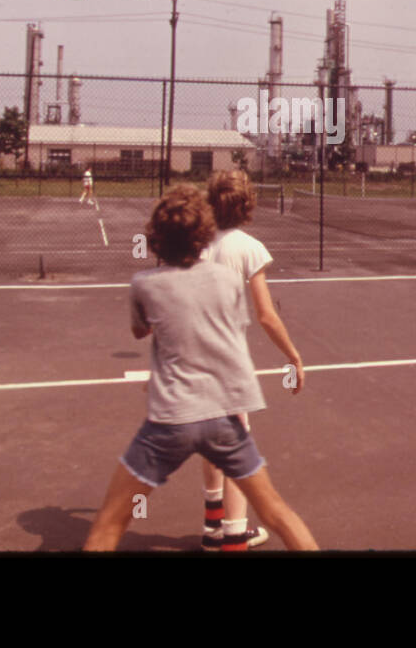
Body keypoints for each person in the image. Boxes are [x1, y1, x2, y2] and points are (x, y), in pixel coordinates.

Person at [83, 184, 317, 552]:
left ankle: (217, 528)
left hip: (170, 418)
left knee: (109, 525)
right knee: (277, 513)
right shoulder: (228, 279)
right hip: (222, 414)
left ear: (157, 240)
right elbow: (234, 330)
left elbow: (140, 330)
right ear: (205, 233)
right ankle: (231, 534)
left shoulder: (143, 284)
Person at [197, 170, 306, 551]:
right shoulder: (248, 247)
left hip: (194, 363)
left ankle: (214, 527)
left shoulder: (195, 243)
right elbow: (266, 315)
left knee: (212, 444)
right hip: (227, 367)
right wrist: (293, 355)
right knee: (238, 453)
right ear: (247, 205)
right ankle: (233, 537)